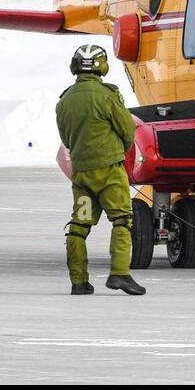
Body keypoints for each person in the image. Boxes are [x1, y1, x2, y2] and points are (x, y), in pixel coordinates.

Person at [56, 44, 144, 296]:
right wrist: (118, 152)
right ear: (101, 66)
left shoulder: (64, 102)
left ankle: (79, 281)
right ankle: (119, 274)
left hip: (81, 174)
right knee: (121, 219)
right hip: (109, 172)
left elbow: (67, 139)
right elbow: (128, 131)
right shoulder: (107, 96)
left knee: (79, 226)